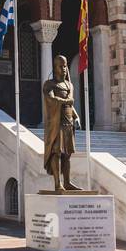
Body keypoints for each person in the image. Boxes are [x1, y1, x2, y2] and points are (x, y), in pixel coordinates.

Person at [42, 54, 81, 192]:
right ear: (55, 67)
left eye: (65, 66)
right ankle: (58, 183)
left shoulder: (69, 84)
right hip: (55, 123)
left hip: (68, 123)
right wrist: (66, 102)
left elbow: (71, 105)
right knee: (56, 152)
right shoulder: (49, 84)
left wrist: (76, 117)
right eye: (61, 66)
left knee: (67, 154)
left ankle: (68, 181)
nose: (64, 69)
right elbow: (51, 100)